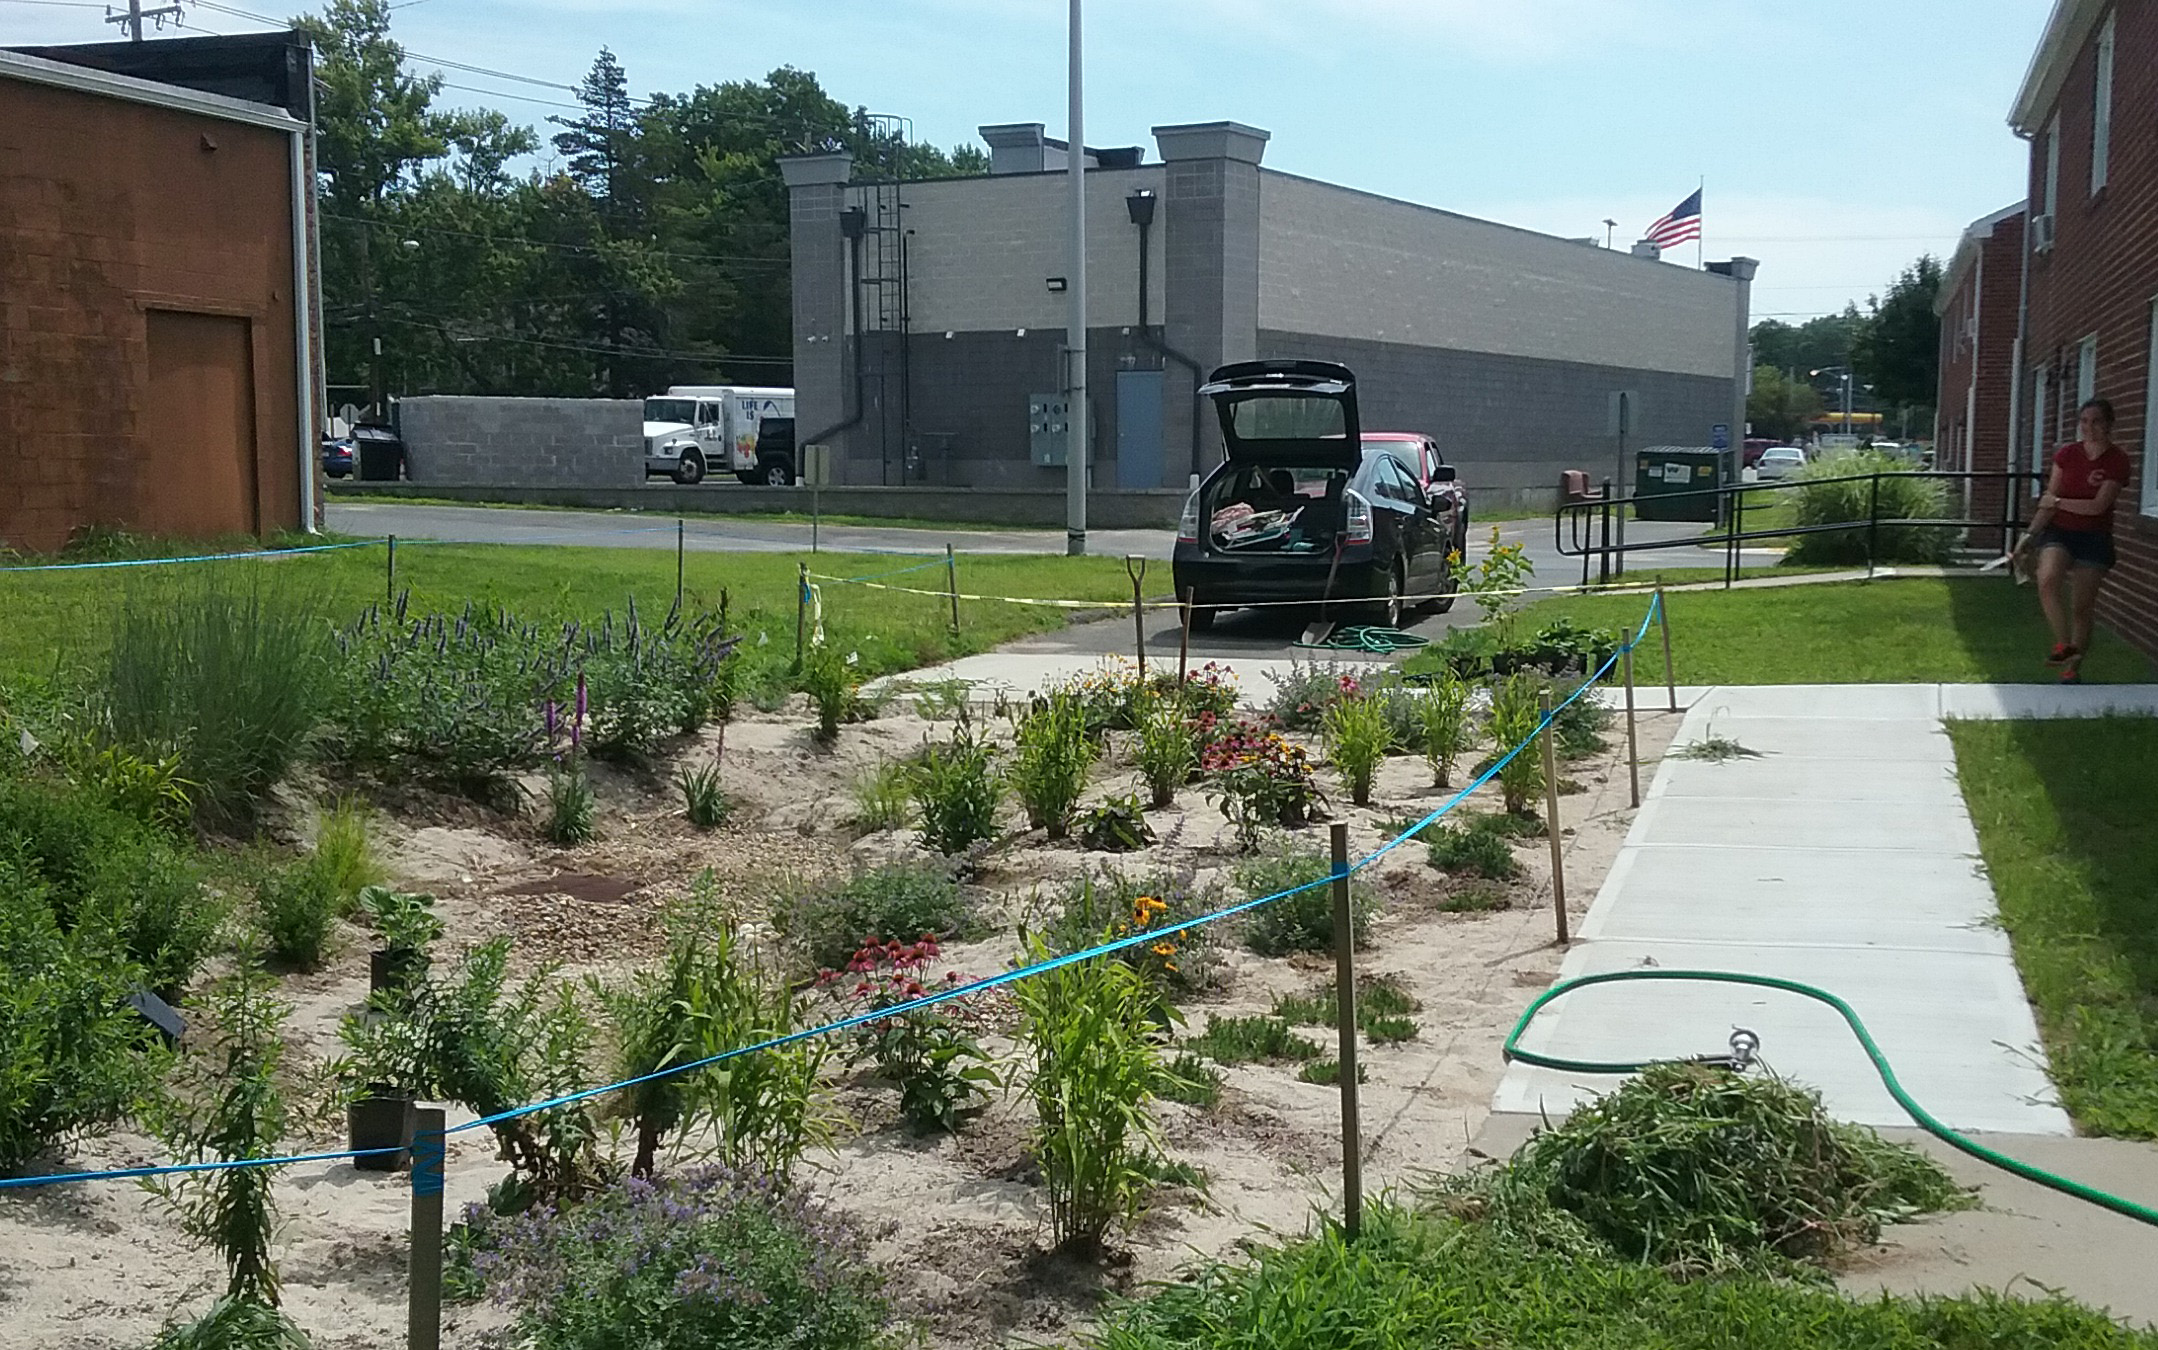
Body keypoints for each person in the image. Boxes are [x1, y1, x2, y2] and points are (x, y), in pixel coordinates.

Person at [2022, 397, 2131, 683]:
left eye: (2096, 421)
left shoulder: (2117, 460)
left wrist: (2057, 501)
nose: (2089, 427)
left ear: (2109, 425)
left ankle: (2072, 670)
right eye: (2084, 421)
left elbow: (2098, 506)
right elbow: (2047, 502)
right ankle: (2064, 644)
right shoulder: (2067, 454)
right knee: (2046, 579)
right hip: (2060, 531)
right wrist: (2029, 535)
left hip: (2094, 537)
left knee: (2081, 607)